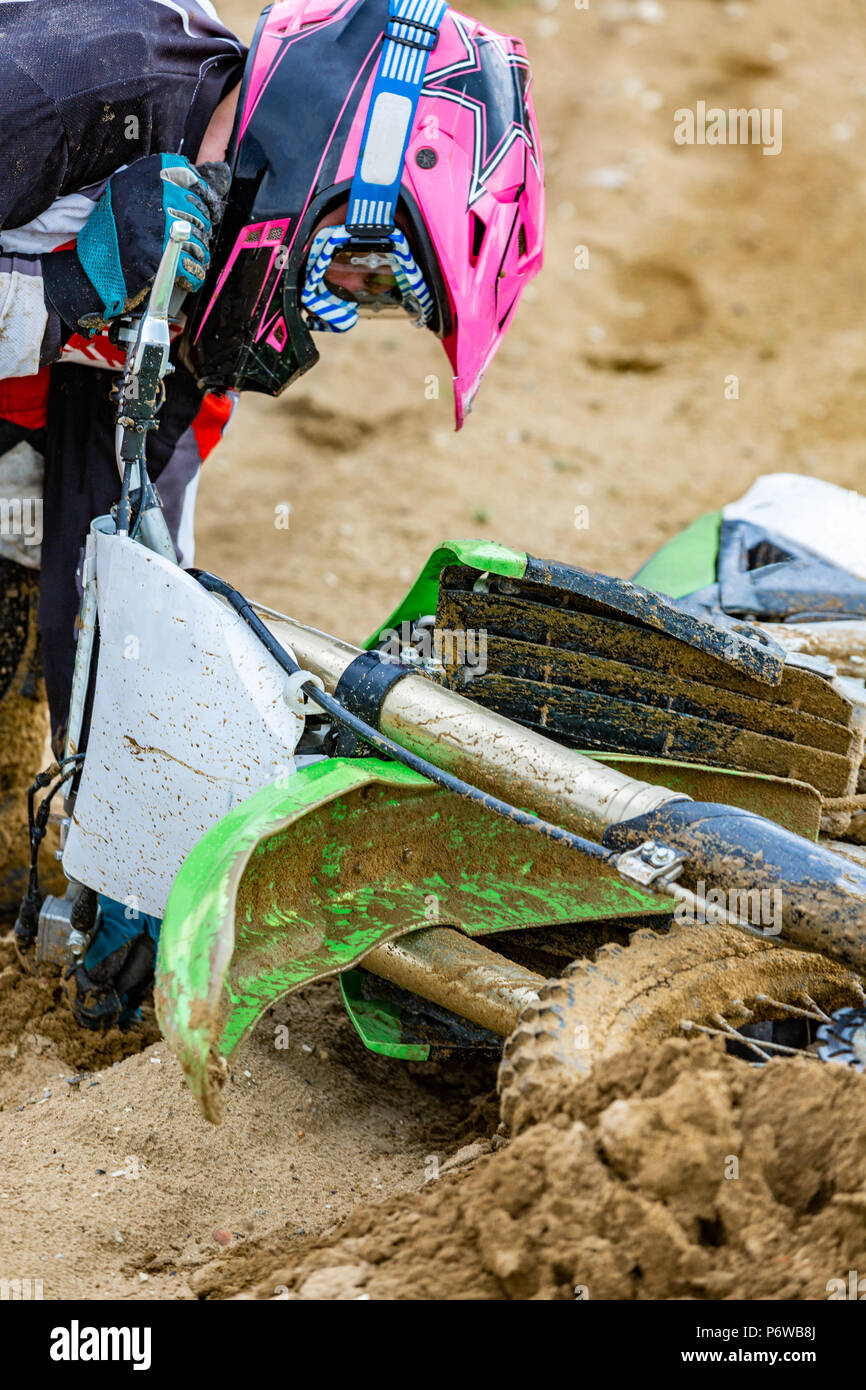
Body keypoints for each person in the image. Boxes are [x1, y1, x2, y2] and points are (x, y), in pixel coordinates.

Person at [0, 0, 544, 1021]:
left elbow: (127, 565)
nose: (340, 313)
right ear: (323, 161)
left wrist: (146, 833)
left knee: (40, 564)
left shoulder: (197, 259)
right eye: (368, 274)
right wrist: (60, 290)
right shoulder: (61, 83)